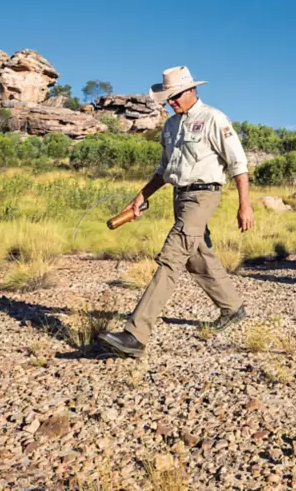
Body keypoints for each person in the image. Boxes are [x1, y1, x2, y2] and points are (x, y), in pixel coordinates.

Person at [98, 66, 255, 359]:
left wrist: (244, 204)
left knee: (171, 257)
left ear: (192, 90)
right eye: (168, 98)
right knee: (197, 256)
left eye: (176, 96)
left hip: (203, 196)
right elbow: (164, 169)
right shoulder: (170, 126)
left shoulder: (214, 118)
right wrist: (140, 197)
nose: (171, 102)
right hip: (179, 196)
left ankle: (135, 334)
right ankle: (232, 308)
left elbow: (238, 164)